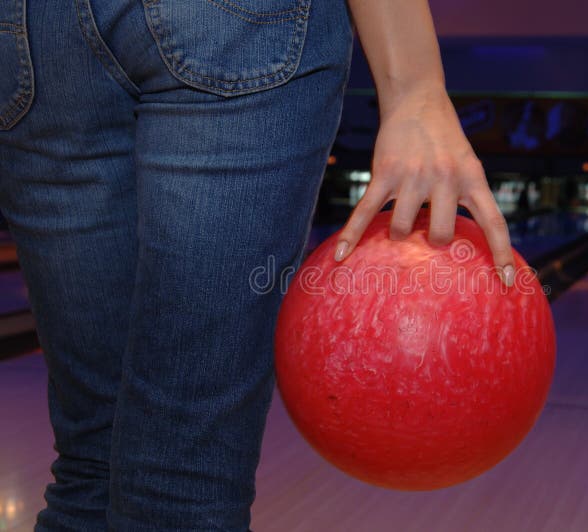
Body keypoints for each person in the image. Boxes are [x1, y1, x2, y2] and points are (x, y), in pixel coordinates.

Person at [0, 0, 513, 529]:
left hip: (31, 32)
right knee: (180, 477)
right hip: (223, 23)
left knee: (91, 467)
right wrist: (416, 89)